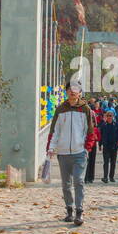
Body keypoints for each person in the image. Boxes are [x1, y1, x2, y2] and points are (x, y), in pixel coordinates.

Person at [46, 83, 97, 225]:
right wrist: (50, 147)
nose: (73, 92)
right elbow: (54, 131)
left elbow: (90, 131)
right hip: (63, 153)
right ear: (67, 92)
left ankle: (79, 212)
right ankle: (69, 209)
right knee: (66, 184)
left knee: (78, 181)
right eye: (70, 90)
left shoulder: (85, 109)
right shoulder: (60, 109)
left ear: (80, 92)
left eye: (76, 90)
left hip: (79, 152)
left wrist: (87, 148)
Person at [98, 109, 118, 183]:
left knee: (113, 162)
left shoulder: (116, 125)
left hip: (114, 146)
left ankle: (111, 177)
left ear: (113, 116)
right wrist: (100, 144)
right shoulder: (103, 125)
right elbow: (100, 136)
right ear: (106, 117)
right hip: (106, 146)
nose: (109, 117)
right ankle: (105, 177)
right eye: (107, 116)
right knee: (106, 162)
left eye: (110, 116)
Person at [85, 99, 102, 184]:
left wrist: (99, 144)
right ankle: (85, 177)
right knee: (85, 161)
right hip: (85, 143)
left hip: (93, 144)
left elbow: (99, 136)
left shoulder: (95, 127)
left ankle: (91, 177)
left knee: (92, 160)